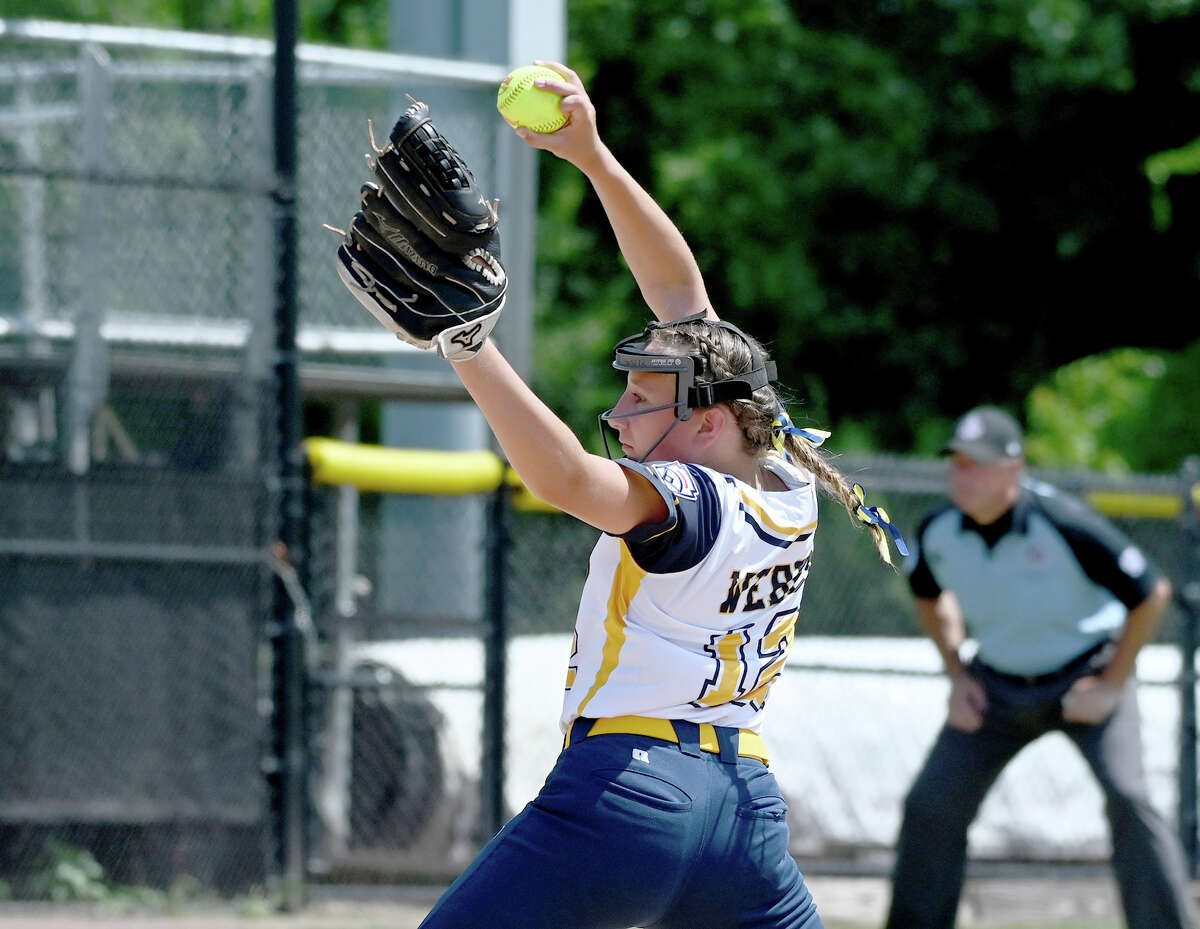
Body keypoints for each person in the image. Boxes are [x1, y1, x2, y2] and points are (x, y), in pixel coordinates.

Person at [409, 62, 905, 929]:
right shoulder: (783, 467)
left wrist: (466, 345)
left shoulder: (694, 494)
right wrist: (593, 158)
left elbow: (563, 477)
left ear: (709, 421)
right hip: (744, 813)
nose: (624, 413)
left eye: (646, 399)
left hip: (632, 795)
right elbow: (683, 298)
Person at [884, 405, 1194, 929]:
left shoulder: (1062, 521)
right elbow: (927, 596)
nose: (963, 474)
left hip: (1087, 677)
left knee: (1129, 797)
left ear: (1014, 469)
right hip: (996, 686)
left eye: (977, 463)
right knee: (930, 806)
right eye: (957, 462)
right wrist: (957, 675)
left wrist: (1112, 685)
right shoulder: (938, 529)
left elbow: (1152, 594)